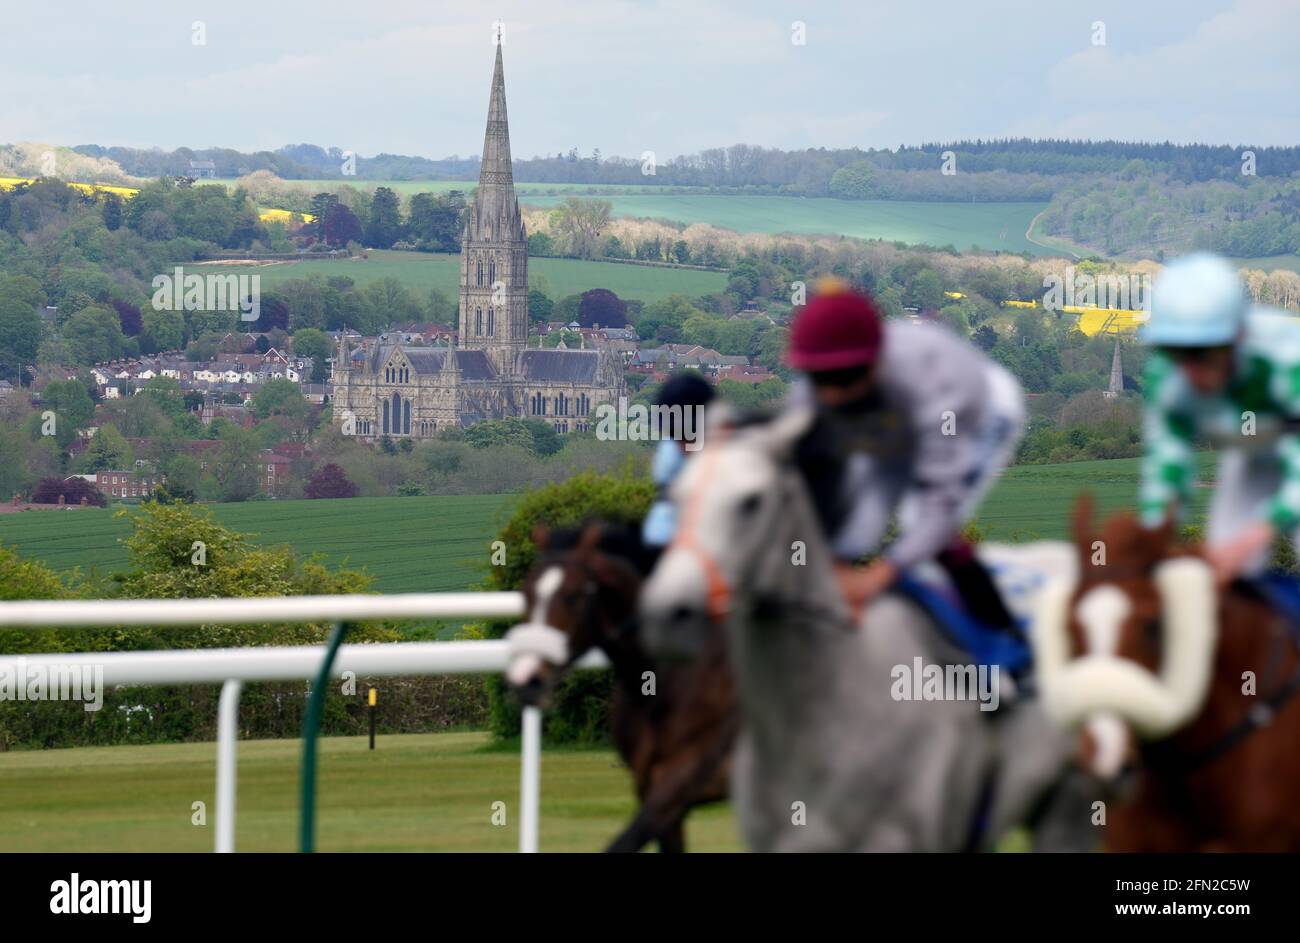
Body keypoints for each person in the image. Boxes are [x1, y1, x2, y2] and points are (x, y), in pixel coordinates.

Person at [786, 278, 1025, 624]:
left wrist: (878, 576)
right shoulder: (821, 387)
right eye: (821, 381)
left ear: (874, 362)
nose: (831, 396)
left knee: (926, 528)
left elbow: (939, 505)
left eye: (844, 379)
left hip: (981, 414)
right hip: (892, 417)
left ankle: (1005, 643)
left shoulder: (935, 390)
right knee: (854, 521)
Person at [1139, 252, 1300, 585]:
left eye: (1205, 352)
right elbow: (1167, 469)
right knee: (1222, 570)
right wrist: (1152, 547)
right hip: (1251, 453)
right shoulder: (1166, 377)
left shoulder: (1287, 361)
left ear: (1239, 336)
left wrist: (1254, 536)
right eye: (1176, 352)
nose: (1190, 369)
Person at [642, 371, 716, 549]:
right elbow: (660, 528)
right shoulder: (669, 452)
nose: (681, 444)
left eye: (689, 435)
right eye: (675, 435)